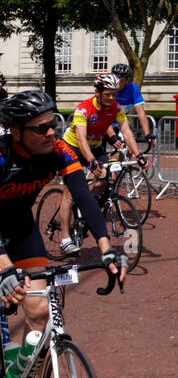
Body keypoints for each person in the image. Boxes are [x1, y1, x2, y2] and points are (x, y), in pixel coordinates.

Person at [0, 90, 124, 378]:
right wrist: (4, 266)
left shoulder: (58, 150)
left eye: (53, 123)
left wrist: (107, 249)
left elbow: (84, 198)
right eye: (39, 129)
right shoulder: (1, 154)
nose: (51, 132)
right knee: (5, 295)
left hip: (21, 228)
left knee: (39, 313)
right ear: (16, 132)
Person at [58, 73, 146, 254]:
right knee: (70, 190)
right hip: (72, 147)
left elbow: (126, 131)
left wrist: (138, 154)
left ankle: (85, 206)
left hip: (95, 146)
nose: (111, 98)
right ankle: (65, 238)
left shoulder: (116, 108)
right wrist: (90, 161)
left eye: (114, 94)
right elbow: (81, 138)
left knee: (105, 179)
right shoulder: (83, 109)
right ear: (97, 92)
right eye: (107, 94)